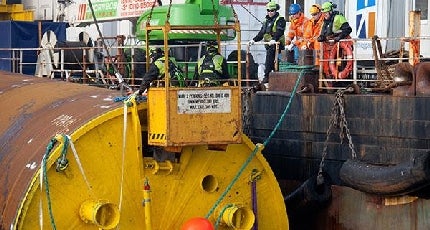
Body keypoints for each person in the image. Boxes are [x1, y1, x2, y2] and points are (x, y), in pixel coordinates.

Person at [249, 1, 286, 85]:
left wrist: (274, 39)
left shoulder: (280, 20)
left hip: (278, 44)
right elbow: (262, 33)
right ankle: (271, 76)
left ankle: (267, 76)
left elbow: (279, 31)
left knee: (270, 57)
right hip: (269, 45)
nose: (270, 12)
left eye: (272, 10)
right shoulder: (266, 21)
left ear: (275, 10)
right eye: (268, 10)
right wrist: (254, 40)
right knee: (270, 58)